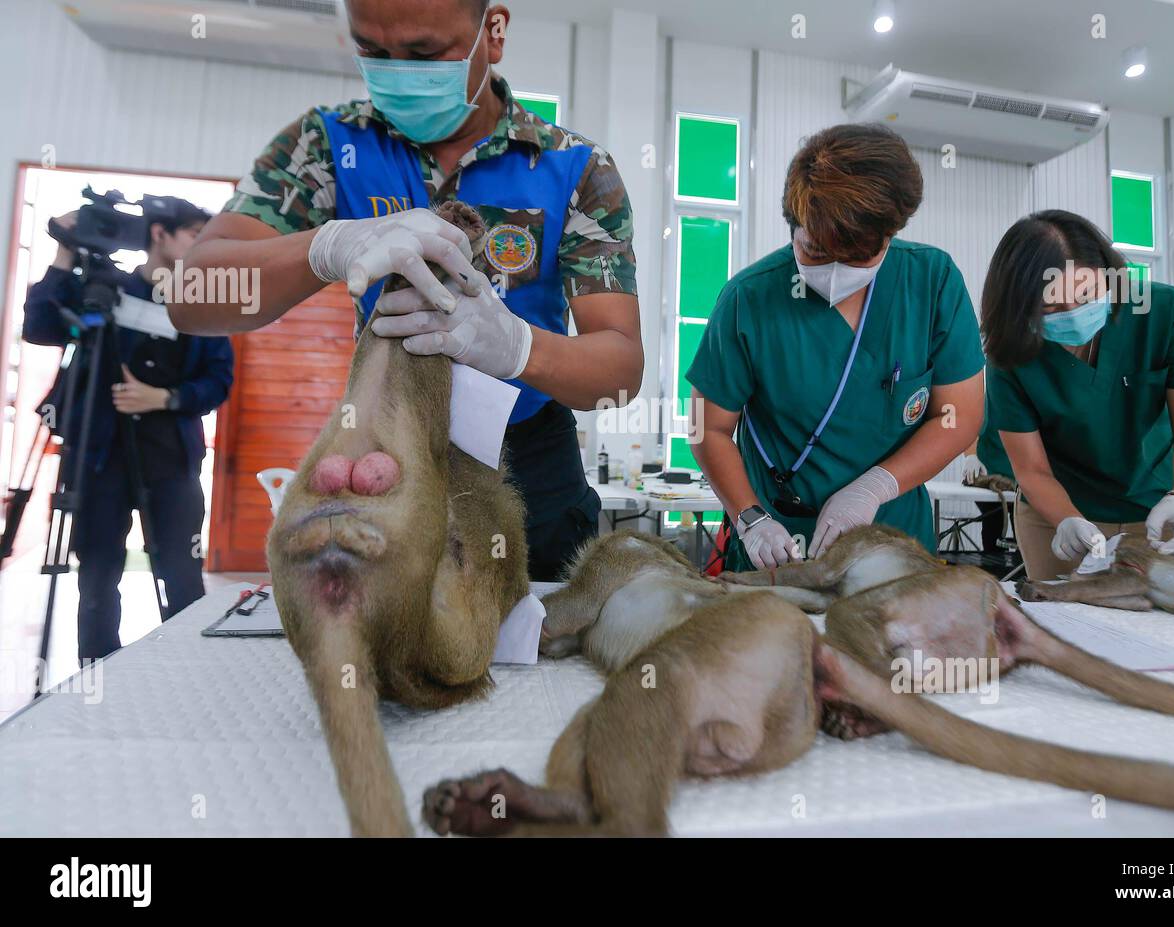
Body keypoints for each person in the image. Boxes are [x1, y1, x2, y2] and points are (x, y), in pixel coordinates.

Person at [171, 0, 642, 581]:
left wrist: (517, 347)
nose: (397, 71)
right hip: (382, 451)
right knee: (381, 640)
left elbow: (619, 373)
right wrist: (326, 245)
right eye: (373, 51)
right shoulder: (325, 146)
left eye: (423, 54)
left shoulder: (573, 167)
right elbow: (192, 294)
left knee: (543, 649)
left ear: (492, 32)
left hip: (529, 465)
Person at [687, 124, 986, 571]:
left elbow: (958, 417)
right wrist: (749, 518)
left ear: (891, 234)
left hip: (894, 540)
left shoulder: (931, 282)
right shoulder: (750, 299)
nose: (835, 270)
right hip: (780, 547)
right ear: (793, 223)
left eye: (857, 257)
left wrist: (875, 487)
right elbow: (705, 428)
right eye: (816, 251)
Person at [22, 197, 234, 661]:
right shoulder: (104, 288)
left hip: (172, 461)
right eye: (194, 235)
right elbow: (39, 326)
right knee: (97, 575)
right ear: (160, 234)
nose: (202, 246)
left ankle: (186, 670)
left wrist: (164, 398)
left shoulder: (203, 302)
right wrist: (65, 251)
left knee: (180, 573)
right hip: (100, 457)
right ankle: (96, 668)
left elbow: (218, 382)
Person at [982, 209, 1174, 581]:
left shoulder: (1165, 312)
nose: (1073, 314)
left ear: (1108, 273)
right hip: (1060, 519)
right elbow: (1031, 468)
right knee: (1068, 630)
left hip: (1163, 508)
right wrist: (1066, 519)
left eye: (1086, 295)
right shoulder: (1011, 353)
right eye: (1050, 307)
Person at [960, 402, 1016, 553]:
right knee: (993, 522)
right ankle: (993, 568)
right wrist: (971, 455)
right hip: (989, 480)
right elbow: (970, 428)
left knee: (1025, 531)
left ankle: (1022, 571)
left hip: (1024, 483)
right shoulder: (992, 398)